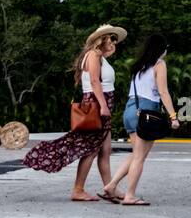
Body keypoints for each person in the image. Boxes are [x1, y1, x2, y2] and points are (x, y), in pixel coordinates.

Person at [22, 24, 126, 200]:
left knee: (105, 149)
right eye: (111, 38)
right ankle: (78, 190)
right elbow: (94, 81)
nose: (114, 42)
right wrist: (103, 105)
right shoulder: (93, 55)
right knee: (91, 150)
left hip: (101, 101)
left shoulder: (99, 56)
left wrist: (109, 51)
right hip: (96, 102)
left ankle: (110, 188)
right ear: (103, 38)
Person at [103, 33, 179, 205]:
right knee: (139, 157)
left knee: (137, 154)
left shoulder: (139, 66)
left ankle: (111, 185)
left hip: (130, 110)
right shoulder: (159, 65)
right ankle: (130, 195)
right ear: (161, 49)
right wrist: (173, 116)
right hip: (146, 112)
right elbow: (163, 92)